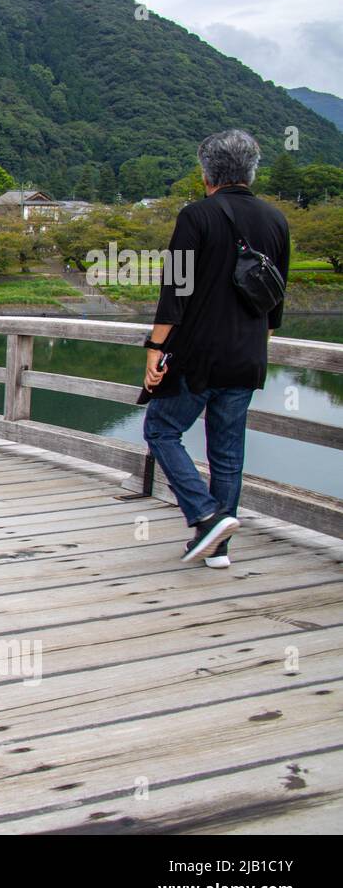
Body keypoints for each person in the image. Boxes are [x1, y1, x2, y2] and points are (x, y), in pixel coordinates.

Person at [142, 128, 288, 569]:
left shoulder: (197, 215)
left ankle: (206, 517)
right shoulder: (276, 220)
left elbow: (176, 290)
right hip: (247, 355)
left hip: (199, 355)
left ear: (207, 173)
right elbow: (276, 297)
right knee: (227, 452)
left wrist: (154, 347)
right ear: (251, 171)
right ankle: (219, 547)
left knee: (161, 431)